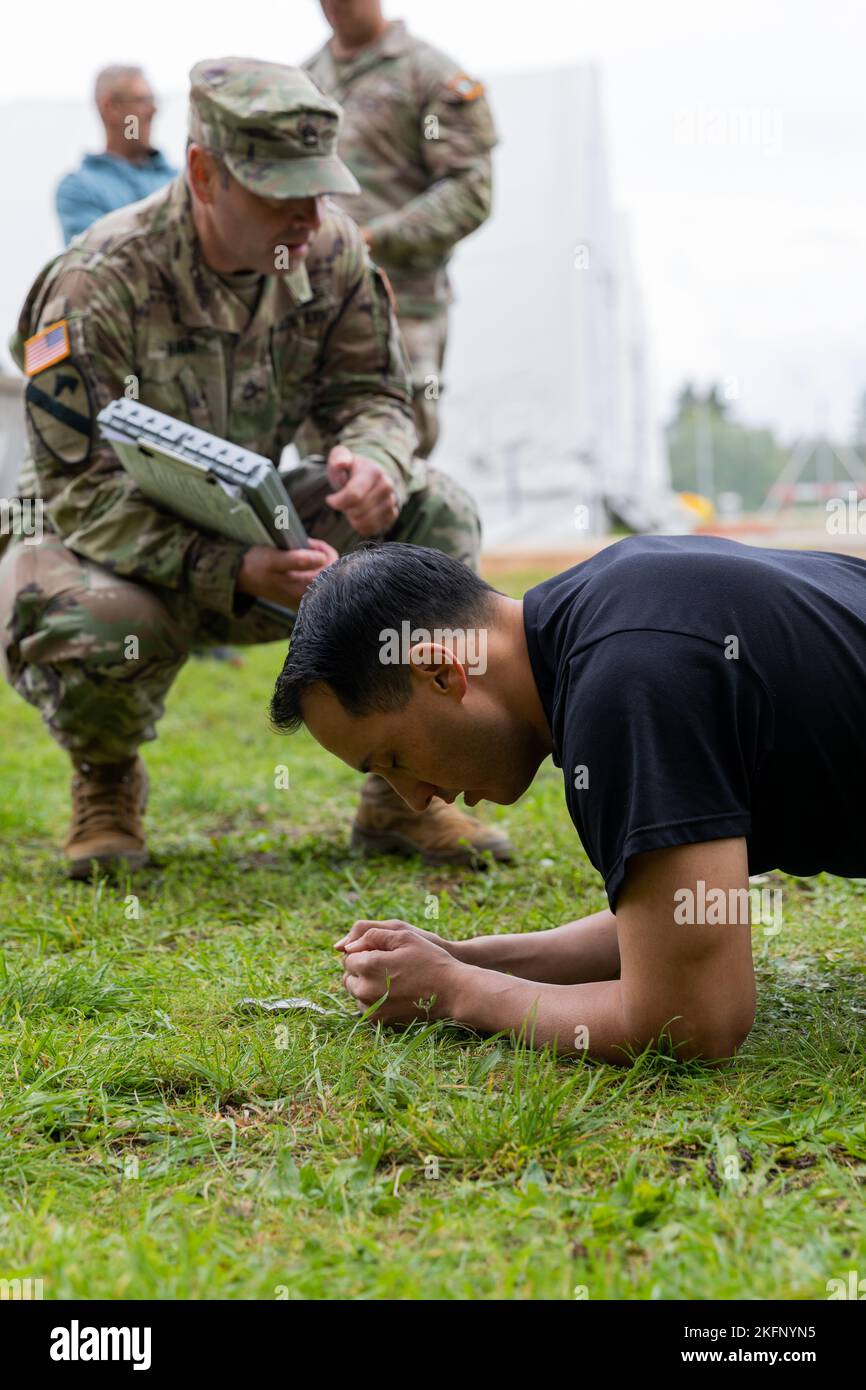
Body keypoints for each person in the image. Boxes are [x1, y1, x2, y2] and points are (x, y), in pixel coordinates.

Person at [0, 58, 511, 878]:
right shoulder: (95, 282)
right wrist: (233, 570)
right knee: (94, 617)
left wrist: (374, 456)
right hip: (113, 540)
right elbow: (80, 490)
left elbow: (375, 393)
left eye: (322, 188)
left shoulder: (332, 250)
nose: (312, 216)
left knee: (434, 515)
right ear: (205, 174)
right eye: (283, 194)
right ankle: (104, 783)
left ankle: (405, 788)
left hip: (262, 522)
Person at [269, 536, 866, 1065]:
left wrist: (457, 992)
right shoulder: (601, 610)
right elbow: (668, 925)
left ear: (442, 673)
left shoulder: (626, 679)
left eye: (394, 759)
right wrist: (460, 959)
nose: (417, 800)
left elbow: (695, 1019)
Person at [304, 0, 497, 458]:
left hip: (402, 303)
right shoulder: (306, 80)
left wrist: (374, 237)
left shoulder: (428, 74)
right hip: (317, 303)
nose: (333, 7)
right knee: (318, 455)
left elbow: (471, 189)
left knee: (401, 448)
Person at [55, 66, 176, 244]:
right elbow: (96, 259)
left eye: (154, 100)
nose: (153, 109)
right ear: (110, 108)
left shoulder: (180, 178)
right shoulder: (80, 188)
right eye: (143, 100)